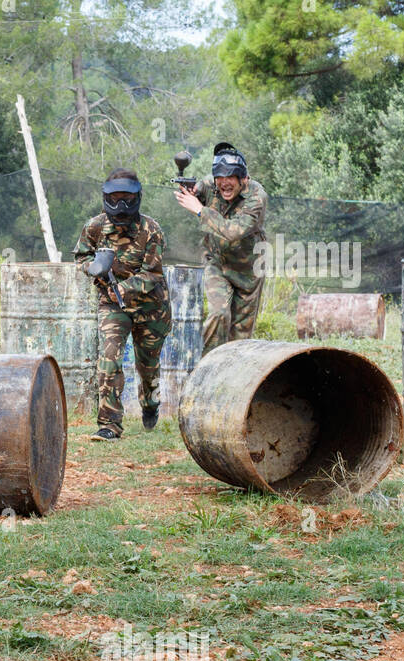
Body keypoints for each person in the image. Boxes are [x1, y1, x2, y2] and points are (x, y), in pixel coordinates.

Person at [73, 168, 171, 441]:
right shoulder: (95, 226)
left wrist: (122, 287)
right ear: (105, 198)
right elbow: (80, 256)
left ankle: (150, 405)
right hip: (113, 307)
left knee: (148, 367)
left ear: (137, 197)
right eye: (115, 198)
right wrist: (92, 268)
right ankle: (109, 424)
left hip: (152, 308)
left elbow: (152, 273)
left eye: (127, 198)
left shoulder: (151, 230)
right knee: (110, 356)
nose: (121, 206)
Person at [173, 142, 268, 356]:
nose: (224, 184)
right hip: (217, 262)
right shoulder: (212, 184)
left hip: (249, 273)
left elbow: (233, 231)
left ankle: (232, 381)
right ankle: (206, 369)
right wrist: (193, 191)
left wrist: (199, 209)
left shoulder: (256, 197)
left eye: (230, 179)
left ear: (243, 178)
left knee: (240, 340)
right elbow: (201, 187)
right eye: (220, 179)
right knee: (218, 314)